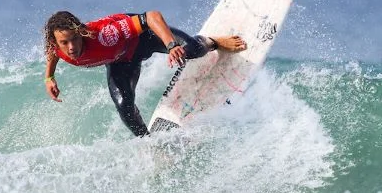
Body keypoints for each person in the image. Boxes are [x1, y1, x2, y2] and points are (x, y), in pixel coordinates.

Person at [43, 10, 246, 136]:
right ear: (56, 42)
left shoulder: (105, 35)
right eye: (64, 42)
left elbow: (151, 16)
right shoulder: (56, 47)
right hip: (121, 61)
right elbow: (52, 53)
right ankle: (148, 141)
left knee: (189, 50)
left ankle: (213, 42)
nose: (71, 47)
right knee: (125, 107)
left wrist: (171, 45)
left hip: (144, 39)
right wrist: (49, 77)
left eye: (74, 39)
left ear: (81, 33)